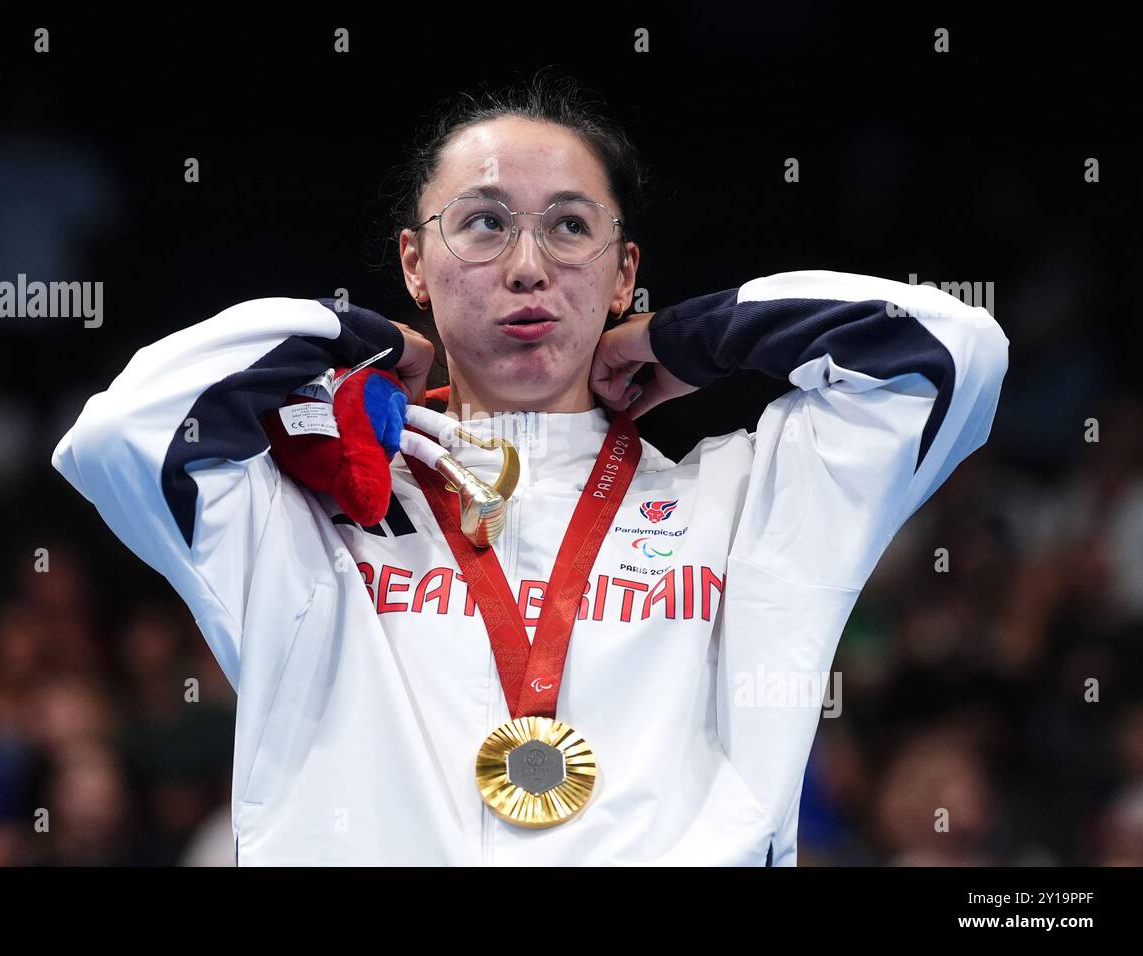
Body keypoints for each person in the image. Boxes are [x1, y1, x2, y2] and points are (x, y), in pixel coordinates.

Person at [51, 73, 1009, 865]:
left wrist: (689, 338)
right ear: (414, 263)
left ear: (624, 271)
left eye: (568, 227)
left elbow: (950, 350)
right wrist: (360, 338)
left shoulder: (744, 500)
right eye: (480, 223)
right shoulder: (307, 511)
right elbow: (121, 433)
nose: (526, 266)